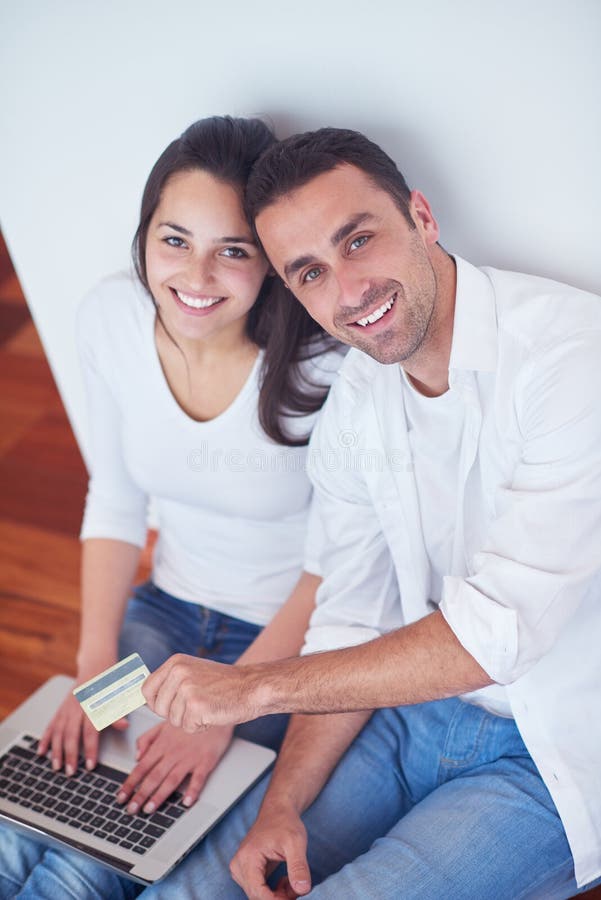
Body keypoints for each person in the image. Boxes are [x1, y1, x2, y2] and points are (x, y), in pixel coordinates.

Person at [135, 127, 601, 899]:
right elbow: (350, 615)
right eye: (311, 272)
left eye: (358, 240)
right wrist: (282, 804)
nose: (348, 291)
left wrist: (252, 689)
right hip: (405, 710)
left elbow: (498, 635)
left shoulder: (570, 357)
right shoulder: (355, 397)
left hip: (553, 746)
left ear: (420, 216)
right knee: (199, 888)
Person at [0, 117, 342, 900]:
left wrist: (223, 711)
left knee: (89, 863)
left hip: (274, 651)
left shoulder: (324, 362)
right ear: (144, 235)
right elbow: (116, 499)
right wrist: (93, 668)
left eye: (233, 251)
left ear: (270, 261)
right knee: (26, 814)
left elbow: (332, 572)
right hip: (164, 615)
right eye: (174, 240)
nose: (196, 275)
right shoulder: (110, 316)